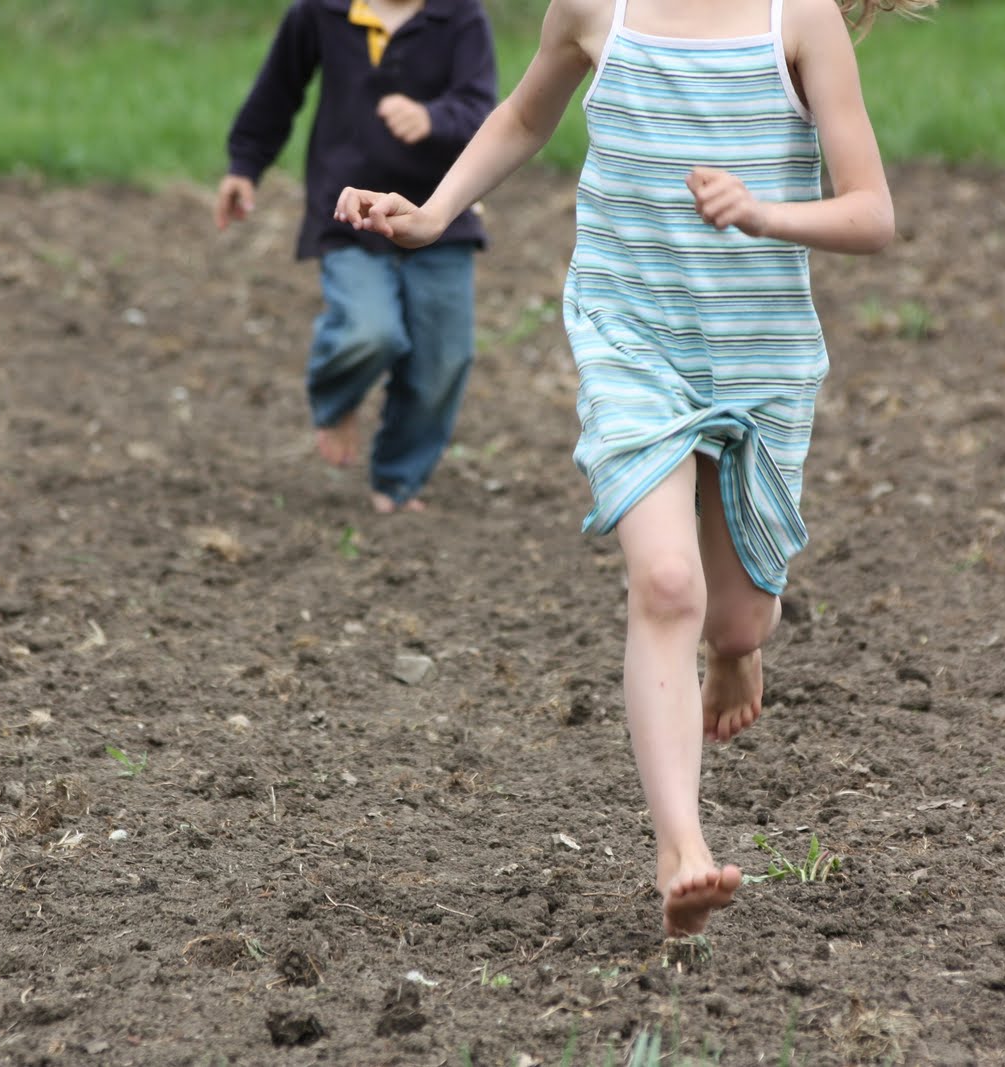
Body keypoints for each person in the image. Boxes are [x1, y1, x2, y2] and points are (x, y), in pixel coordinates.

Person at [335, 0, 933, 934]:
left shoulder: (798, 20)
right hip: (632, 338)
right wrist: (434, 212)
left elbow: (873, 213)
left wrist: (762, 210)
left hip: (759, 357)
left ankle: (738, 652)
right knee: (663, 583)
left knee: (739, 613)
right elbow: (525, 117)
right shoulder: (592, 8)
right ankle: (680, 848)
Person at [214, 0, 498, 513]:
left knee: (443, 359)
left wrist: (432, 116)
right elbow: (277, 93)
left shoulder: (460, 16)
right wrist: (244, 165)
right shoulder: (318, 13)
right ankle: (337, 398)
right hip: (347, 213)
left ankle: (396, 482)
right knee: (370, 332)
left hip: (440, 215)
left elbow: (487, 111)